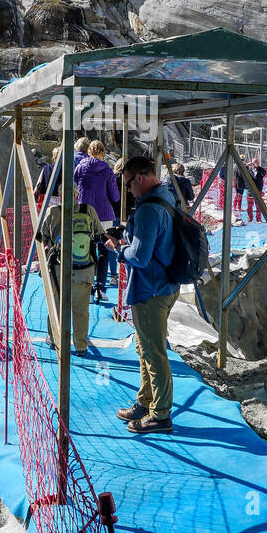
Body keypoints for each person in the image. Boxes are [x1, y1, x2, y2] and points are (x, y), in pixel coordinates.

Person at [106, 155, 179, 435]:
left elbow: (140, 255)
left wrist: (118, 248)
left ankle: (160, 415)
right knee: (145, 347)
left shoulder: (148, 209)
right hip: (165, 285)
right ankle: (146, 402)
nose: (128, 190)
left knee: (154, 352)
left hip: (150, 289)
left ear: (139, 178)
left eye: (128, 184)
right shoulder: (166, 197)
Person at [40, 182, 102, 356]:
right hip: (84, 268)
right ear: (77, 195)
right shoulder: (88, 210)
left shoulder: (53, 212)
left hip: (59, 268)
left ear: (60, 196)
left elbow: (41, 236)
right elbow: (99, 234)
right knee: (81, 309)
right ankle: (81, 345)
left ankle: (54, 338)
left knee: (57, 304)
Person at [75, 139, 121, 301]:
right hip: (104, 216)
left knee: (85, 251)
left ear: (89, 152)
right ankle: (101, 288)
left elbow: (74, 188)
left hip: (84, 214)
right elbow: (115, 196)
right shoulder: (107, 170)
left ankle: (87, 287)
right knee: (104, 251)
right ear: (102, 153)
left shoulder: (80, 168)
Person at [246, 157, 267, 222]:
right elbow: (241, 169)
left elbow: (264, 172)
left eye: (258, 162)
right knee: (249, 206)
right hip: (250, 190)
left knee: (258, 206)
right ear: (252, 163)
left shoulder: (260, 170)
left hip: (258, 190)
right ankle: (250, 218)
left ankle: (258, 219)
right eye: (256, 162)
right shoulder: (248, 169)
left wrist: (258, 167)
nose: (257, 163)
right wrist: (247, 165)